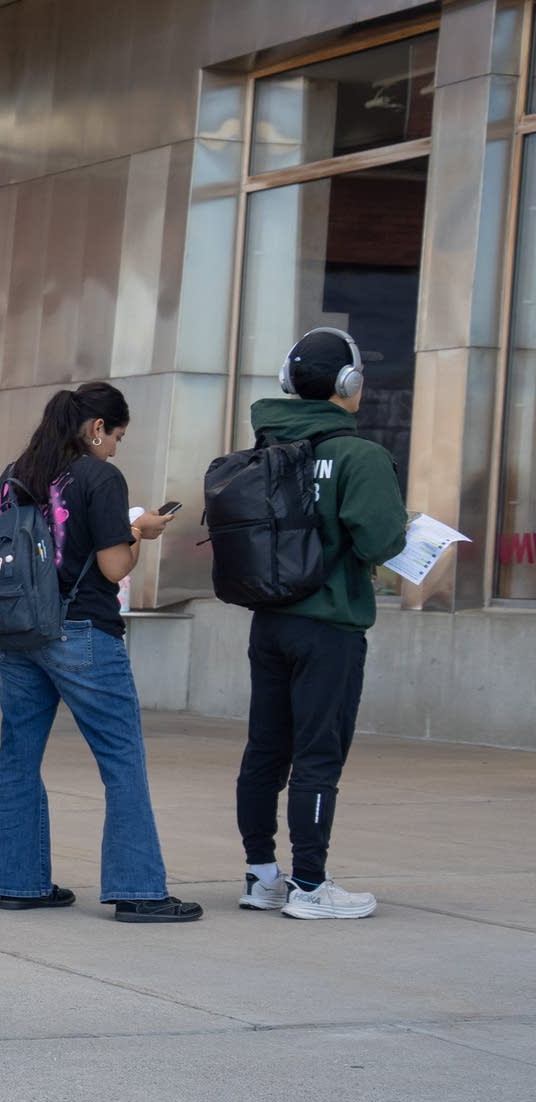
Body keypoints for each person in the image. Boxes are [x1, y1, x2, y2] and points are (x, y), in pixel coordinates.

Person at [0, 381, 200, 924]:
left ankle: (20, 883)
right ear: (97, 428)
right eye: (117, 436)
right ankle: (139, 890)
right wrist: (140, 533)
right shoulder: (100, 477)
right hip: (80, 632)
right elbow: (113, 567)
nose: (116, 448)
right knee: (121, 759)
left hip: (16, 631)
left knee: (18, 756)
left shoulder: (17, 473)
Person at [235, 328, 410, 921]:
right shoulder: (360, 456)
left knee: (265, 749)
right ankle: (310, 885)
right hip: (330, 625)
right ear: (350, 384)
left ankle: (262, 877)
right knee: (318, 754)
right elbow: (383, 540)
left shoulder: (265, 449)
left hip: (270, 622)